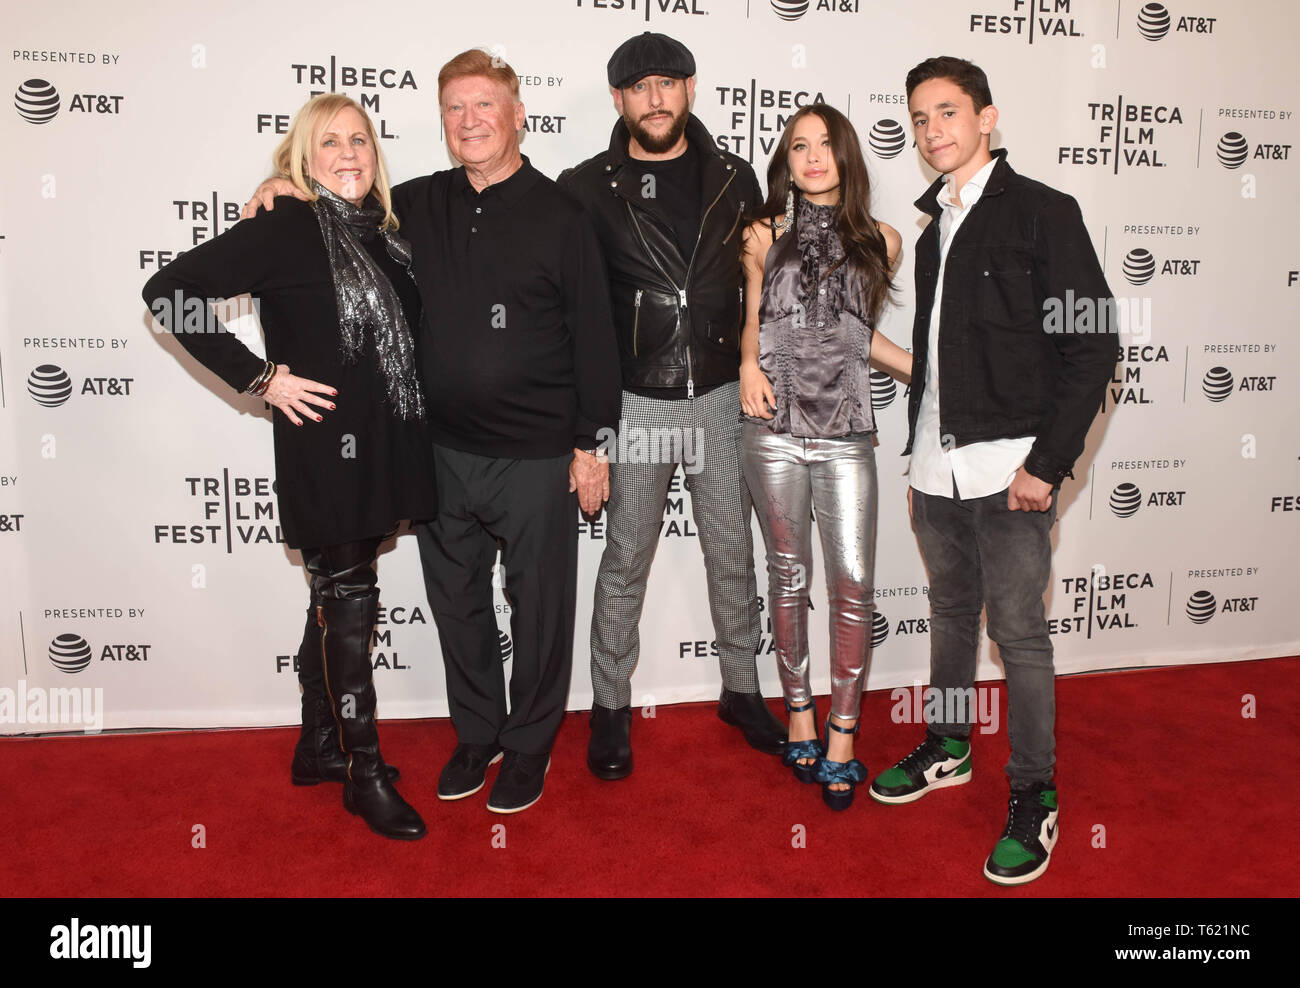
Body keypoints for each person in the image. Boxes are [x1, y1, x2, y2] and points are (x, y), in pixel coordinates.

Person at [245, 50, 622, 814]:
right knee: (457, 603)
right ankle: (478, 733)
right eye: (455, 107)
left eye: (486, 105)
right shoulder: (410, 206)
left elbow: (597, 342)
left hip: (540, 453)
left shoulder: (564, 215)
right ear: (442, 121)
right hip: (439, 451)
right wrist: (280, 186)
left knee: (540, 608)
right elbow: (333, 212)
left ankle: (529, 746)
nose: (471, 120)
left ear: (519, 113)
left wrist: (593, 446)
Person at [144, 93, 437, 840]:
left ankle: (318, 746)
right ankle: (362, 771)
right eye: (330, 142)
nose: (348, 154)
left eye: (360, 141)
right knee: (350, 602)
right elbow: (167, 293)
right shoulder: (287, 225)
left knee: (339, 594)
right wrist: (261, 377)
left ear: (377, 155)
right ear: (302, 158)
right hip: (325, 451)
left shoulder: (386, 235)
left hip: (382, 446)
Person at [869, 57, 1118, 883]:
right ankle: (948, 746)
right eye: (919, 118)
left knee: (1019, 637)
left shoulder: (1045, 212)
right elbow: (945, 363)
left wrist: (1047, 467)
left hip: (1014, 469)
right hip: (936, 468)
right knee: (948, 617)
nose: (933, 129)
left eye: (948, 112)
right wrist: (920, 452)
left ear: (988, 118)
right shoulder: (936, 226)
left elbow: (1092, 348)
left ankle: (1036, 794)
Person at [558, 32, 786, 781]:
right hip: (637, 402)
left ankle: (742, 691)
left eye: (668, 82)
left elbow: (779, 269)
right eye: (638, 86)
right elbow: (563, 305)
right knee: (625, 557)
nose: (654, 97)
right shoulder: (585, 186)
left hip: (722, 396)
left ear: (690, 88)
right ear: (619, 98)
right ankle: (612, 709)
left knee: (732, 553)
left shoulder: (735, 176)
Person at [738, 105, 910, 811]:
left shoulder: (883, 240)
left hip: (844, 430)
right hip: (769, 425)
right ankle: (799, 713)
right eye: (797, 146)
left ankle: (844, 729)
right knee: (786, 575)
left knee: (855, 584)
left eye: (823, 145)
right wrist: (748, 364)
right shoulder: (760, 233)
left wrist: (923, 370)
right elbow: (755, 317)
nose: (811, 157)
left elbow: (852, 332)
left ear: (845, 155)